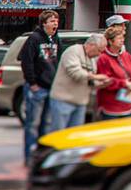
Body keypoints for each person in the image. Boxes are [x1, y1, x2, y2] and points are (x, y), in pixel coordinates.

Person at [20, 9, 61, 162]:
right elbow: (27, 62)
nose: (55, 23)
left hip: (51, 86)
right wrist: (32, 83)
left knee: (47, 123)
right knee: (32, 124)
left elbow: (59, 61)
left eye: (56, 21)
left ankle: (42, 157)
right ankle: (29, 157)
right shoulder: (34, 39)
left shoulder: (56, 39)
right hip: (37, 87)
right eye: (51, 21)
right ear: (44, 23)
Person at [50, 33, 109, 130]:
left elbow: (89, 82)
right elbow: (76, 73)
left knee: (74, 135)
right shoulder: (73, 51)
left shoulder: (92, 59)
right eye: (99, 50)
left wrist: (103, 84)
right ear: (91, 45)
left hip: (80, 103)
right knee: (58, 134)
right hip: (63, 101)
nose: (100, 54)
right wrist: (96, 77)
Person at [95, 23, 131, 120]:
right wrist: (124, 83)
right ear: (110, 41)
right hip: (111, 106)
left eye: (123, 38)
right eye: (119, 38)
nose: (122, 40)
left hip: (128, 104)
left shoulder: (126, 56)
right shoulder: (103, 58)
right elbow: (105, 81)